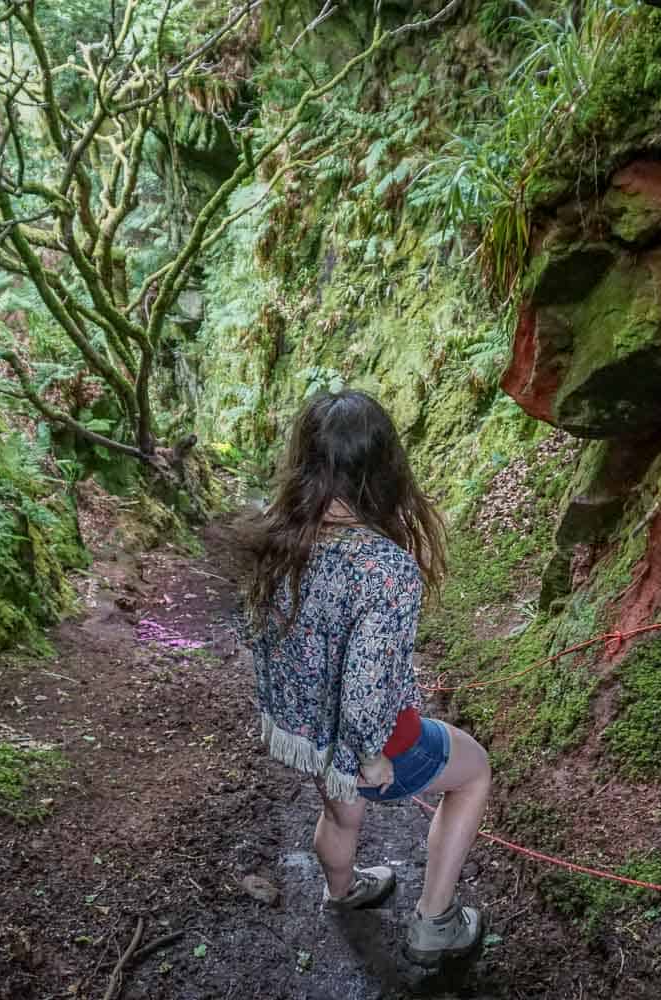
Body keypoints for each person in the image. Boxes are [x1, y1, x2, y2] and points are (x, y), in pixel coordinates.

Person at [242, 389, 492, 967]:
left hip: (307, 730)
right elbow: (363, 693)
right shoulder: (386, 568)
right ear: (384, 471)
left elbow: (258, 637)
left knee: (338, 809)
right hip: (371, 739)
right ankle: (436, 922)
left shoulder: (276, 542)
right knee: (473, 771)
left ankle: (341, 891)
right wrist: (374, 757)